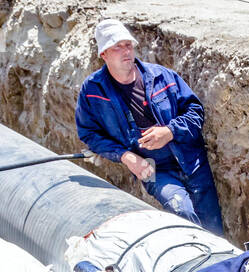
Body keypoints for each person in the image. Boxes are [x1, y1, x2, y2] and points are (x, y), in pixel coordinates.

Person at [75, 19, 225, 235]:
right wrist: (125, 156)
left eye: (128, 44)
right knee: (182, 214)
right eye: (117, 46)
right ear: (103, 54)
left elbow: (195, 112)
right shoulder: (93, 90)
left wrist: (170, 131)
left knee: (213, 229)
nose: (125, 51)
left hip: (192, 162)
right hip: (154, 168)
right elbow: (88, 133)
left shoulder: (162, 77)